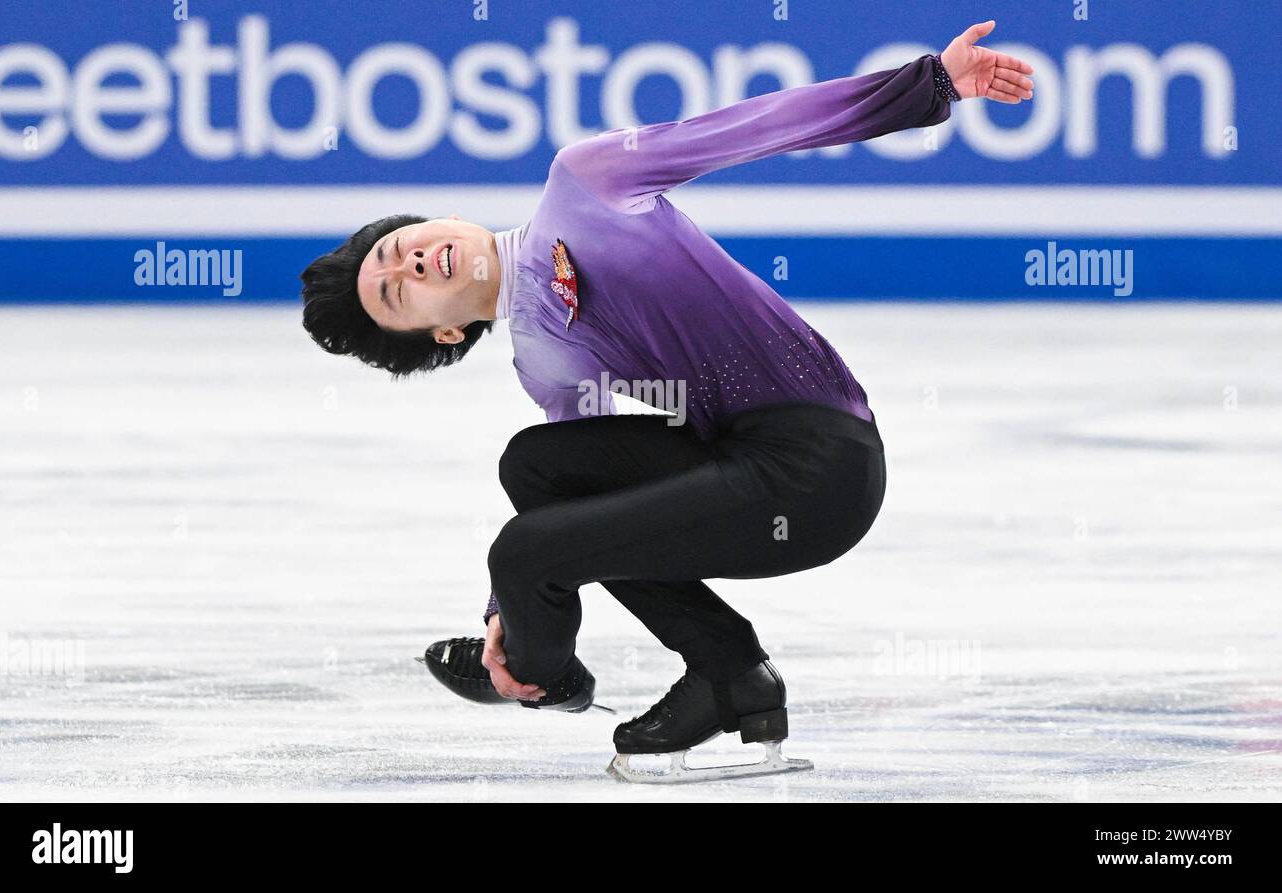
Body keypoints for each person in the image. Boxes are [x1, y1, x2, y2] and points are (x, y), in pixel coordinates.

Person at [300, 21, 1033, 781]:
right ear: (444, 332)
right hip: (742, 460)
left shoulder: (584, 178)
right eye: (398, 293)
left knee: (522, 550)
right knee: (536, 468)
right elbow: (579, 513)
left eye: (399, 248)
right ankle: (716, 673)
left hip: (822, 470)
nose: (412, 262)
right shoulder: (543, 358)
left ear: (440, 218)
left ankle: (547, 669)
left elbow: (758, 126)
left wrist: (929, 84)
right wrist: (503, 609)